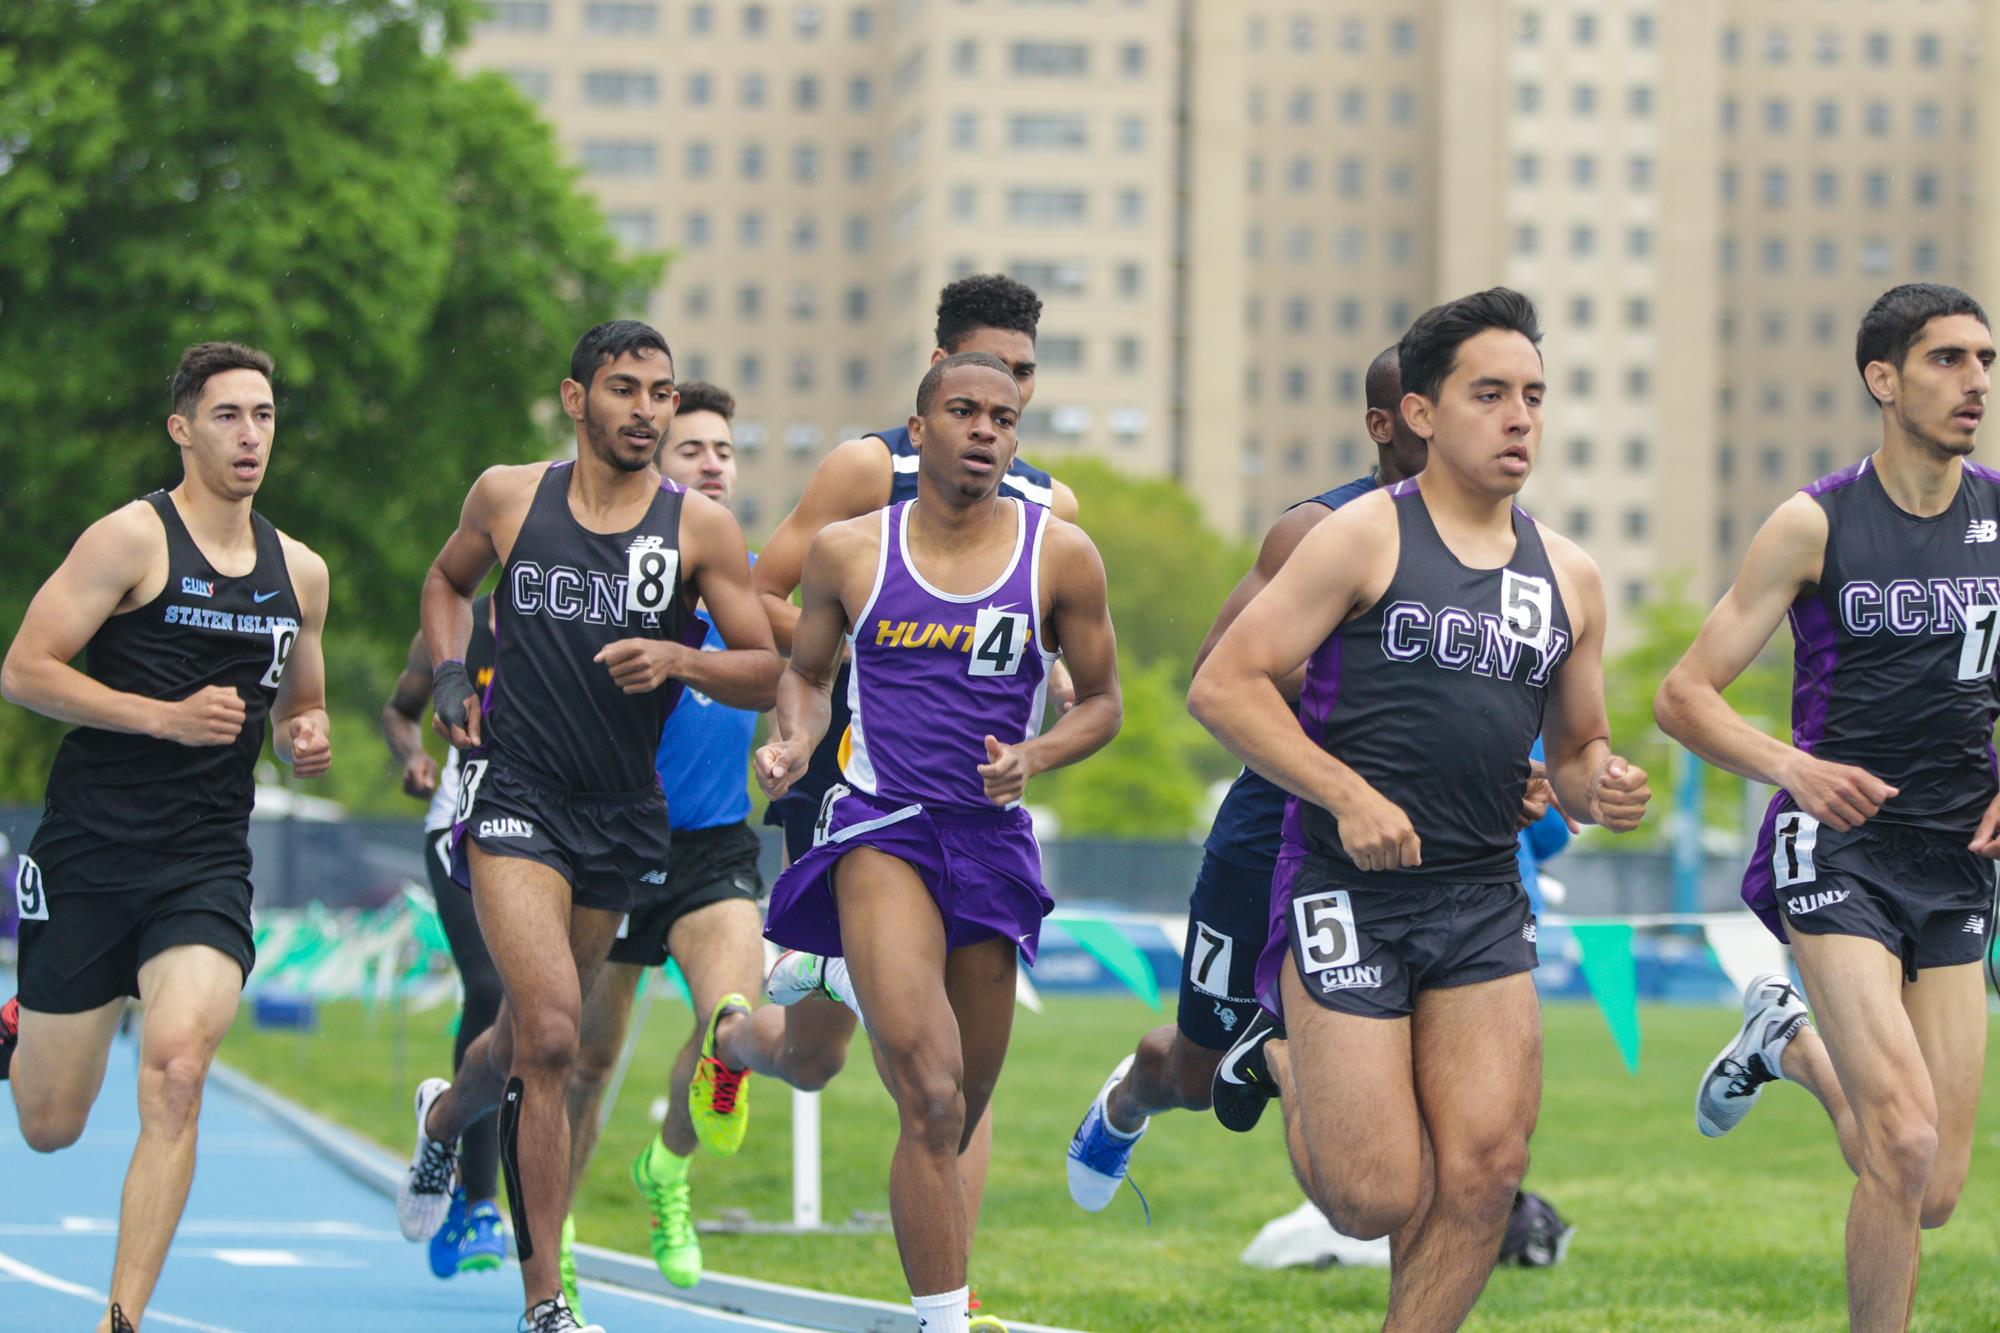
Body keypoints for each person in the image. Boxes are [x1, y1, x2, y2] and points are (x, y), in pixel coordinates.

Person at [1189, 289, 1649, 1331]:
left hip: (1481, 896)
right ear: (1423, 412)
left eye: (1532, 394)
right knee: (1373, 1196)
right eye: (1489, 393)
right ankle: (1271, 1048)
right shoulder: (1359, 537)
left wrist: (1601, 784)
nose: (1518, 416)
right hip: (1346, 888)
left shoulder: (1568, 574)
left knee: (1485, 1171)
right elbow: (1223, 683)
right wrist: (1345, 794)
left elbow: (1577, 749)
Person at [393, 321, 780, 1333]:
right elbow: (445, 582)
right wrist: (443, 673)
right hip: (517, 794)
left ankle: (443, 1118)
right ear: (576, 400)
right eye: (623, 389)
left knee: (524, 1038)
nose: (646, 410)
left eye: (659, 392)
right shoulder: (507, 496)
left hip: (620, 815)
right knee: (557, 1035)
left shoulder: (694, 529)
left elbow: (770, 666)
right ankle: (546, 1301)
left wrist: (682, 661)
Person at [755, 352, 1121, 1333]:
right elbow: (803, 670)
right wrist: (792, 735)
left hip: (991, 841)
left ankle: (944, 1300)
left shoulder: (1059, 556)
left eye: (1002, 417)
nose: (984, 430)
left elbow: (1107, 707)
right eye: (961, 411)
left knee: (964, 1096)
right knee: (925, 1090)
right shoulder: (848, 551)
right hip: (881, 830)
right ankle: (943, 1321)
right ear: (916, 433)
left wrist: (1036, 755)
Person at [1656, 283, 1997, 1333]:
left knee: (1929, 1182)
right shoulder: (1812, 522)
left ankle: (1784, 1040)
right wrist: (1790, 769)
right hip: (1835, 845)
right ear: (1880, 379)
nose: (1973, 383)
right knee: (1898, 1141)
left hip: (1954, 856)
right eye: (1945, 360)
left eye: (1983, 361)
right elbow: (1681, 696)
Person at [0, 342, 331, 1333]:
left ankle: (120, 1320)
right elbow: (24, 668)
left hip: (202, 863)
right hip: (90, 854)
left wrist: (305, 735)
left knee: (178, 1069)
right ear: (183, 429)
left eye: (265, 415)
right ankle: (20, 1028)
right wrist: (159, 714)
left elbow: (300, 703)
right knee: (51, 1126)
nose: (251, 435)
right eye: (229, 415)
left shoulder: (302, 573)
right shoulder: (128, 540)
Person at [1064, 344, 1428, 1210]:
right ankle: (1129, 1095)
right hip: (1272, 832)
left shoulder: (1490, 546)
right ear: (1386, 424)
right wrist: (1372, 686)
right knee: (1199, 1074)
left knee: (1413, 1075)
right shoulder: (1316, 530)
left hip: (1404, 850)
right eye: (1434, 408)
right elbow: (1218, 667)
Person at [562, 382, 786, 1295]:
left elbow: (798, 674)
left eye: (725, 450)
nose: (713, 464)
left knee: (732, 1017)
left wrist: (790, 741)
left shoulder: (753, 579)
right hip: (608, 841)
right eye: (693, 449)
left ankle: (667, 1165)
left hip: (710, 847)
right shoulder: (613, 571)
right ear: (658, 461)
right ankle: (557, 1241)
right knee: (585, 1061)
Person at [380, 595, 507, 1279]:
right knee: (488, 985)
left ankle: (446, 1123)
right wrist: (414, 756)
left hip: (557, 833)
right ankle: (481, 1202)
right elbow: (399, 711)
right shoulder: (456, 627)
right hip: (461, 823)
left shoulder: (592, 610)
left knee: (547, 1020)